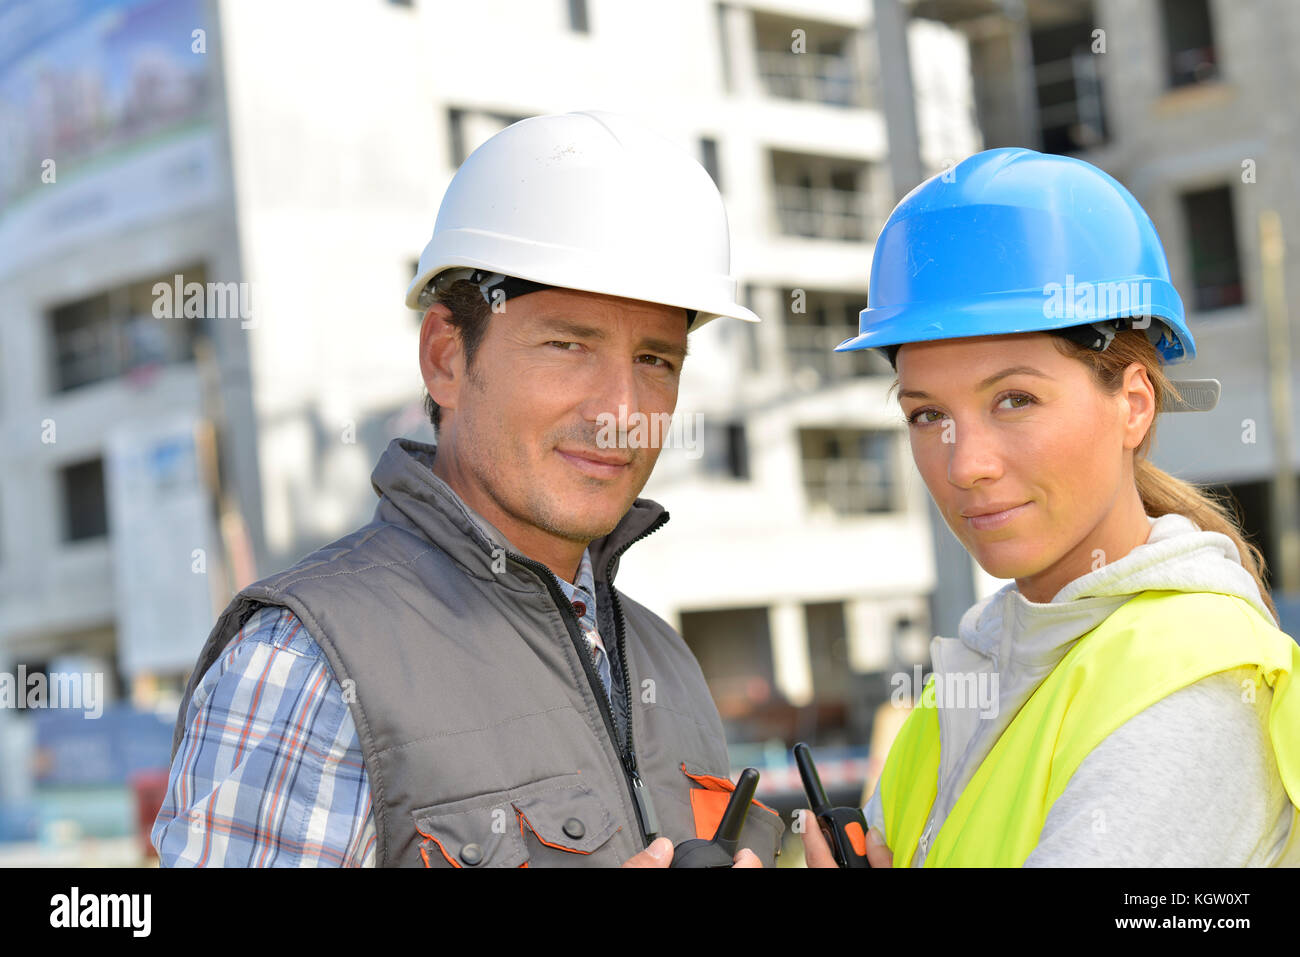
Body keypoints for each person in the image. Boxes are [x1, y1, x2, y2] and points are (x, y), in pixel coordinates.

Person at [153, 110, 785, 867]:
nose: (622, 412)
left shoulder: (665, 662)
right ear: (446, 358)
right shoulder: (305, 662)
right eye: (568, 345)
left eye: (656, 360)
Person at [799, 146, 1300, 868]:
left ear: (1132, 404)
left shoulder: (1195, 678)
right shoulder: (973, 674)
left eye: (1015, 400)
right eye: (926, 414)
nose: (965, 463)